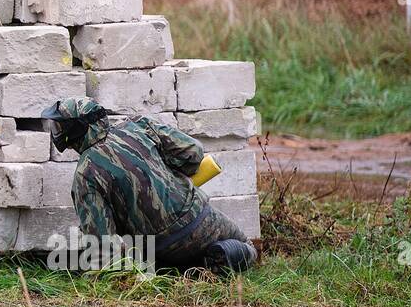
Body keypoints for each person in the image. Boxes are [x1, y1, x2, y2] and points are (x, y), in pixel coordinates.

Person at [40, 97, 257, 273]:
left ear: (77, 130)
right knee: (248, 247)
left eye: (59, 127)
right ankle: (214, 260)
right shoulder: (138, 125)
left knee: (160, 262)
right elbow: (193, 153)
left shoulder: (85, 174)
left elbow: (103, 245)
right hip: (201, 220)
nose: (56, 132)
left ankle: (183, 268)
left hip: (159, 248)